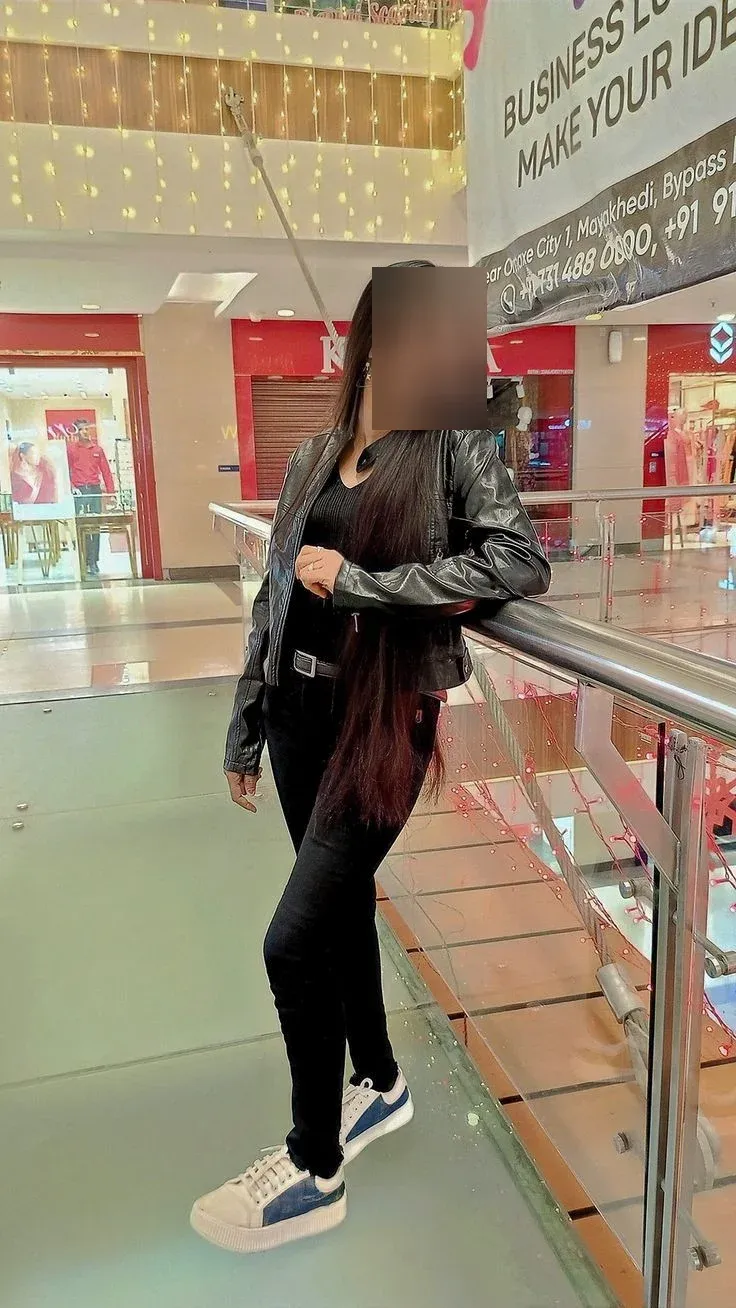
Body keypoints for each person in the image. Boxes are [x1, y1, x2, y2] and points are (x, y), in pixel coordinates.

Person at [190, 269, 551, 1255]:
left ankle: (315, 1166)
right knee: (340, 908)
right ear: (371, 345)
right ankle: (380, 1081)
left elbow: (516, 561)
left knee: (292, 942)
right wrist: (247, 722)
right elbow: (273, 597)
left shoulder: (453, 449)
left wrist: (363, 583)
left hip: (383, 718)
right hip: (297, 712)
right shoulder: (314, 454)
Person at [66, 418, 115, 576]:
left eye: (87, 429)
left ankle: (94, 561)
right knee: (82, 526)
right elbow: (66, 470)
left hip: (95, 490)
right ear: (77, 432)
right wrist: (71, 487)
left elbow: (106, 471)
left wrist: (111, 492)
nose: (85, 432)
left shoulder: (97, 450)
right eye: (82, 429)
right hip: (80, 491)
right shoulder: (71, 450)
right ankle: (85, 559)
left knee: (95, 526)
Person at [9, 441, 59, 506]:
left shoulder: (44, 473)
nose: (38, 456)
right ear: (22, 456)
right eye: (34, 453)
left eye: (38, 454)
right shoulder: (14, 477)